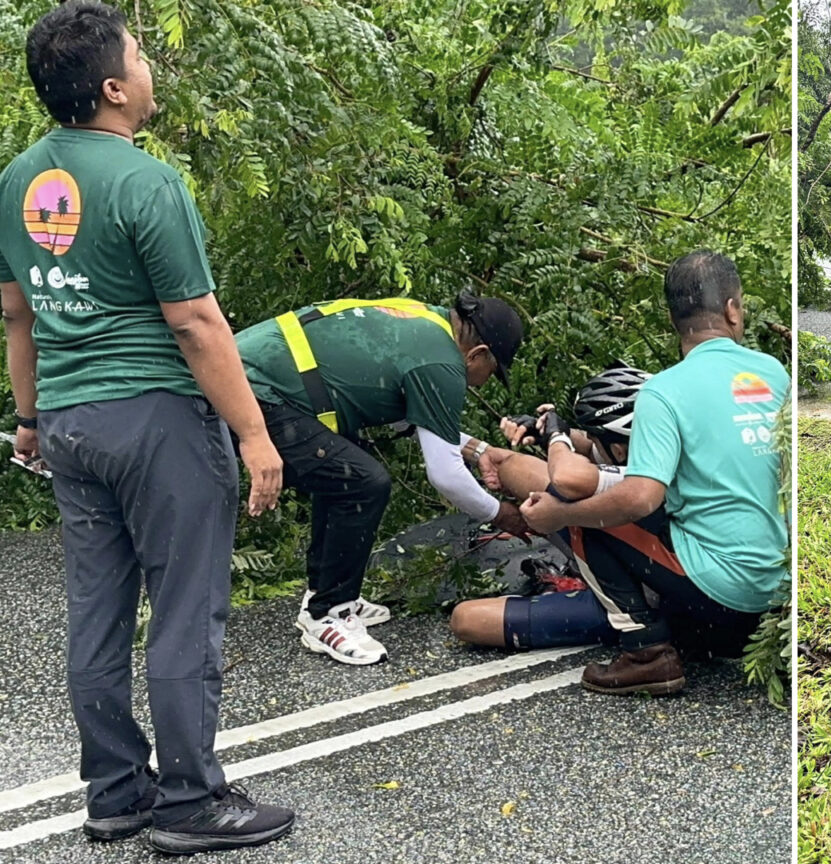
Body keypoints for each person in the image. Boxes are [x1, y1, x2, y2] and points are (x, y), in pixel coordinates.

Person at [0, 2, 294, 852]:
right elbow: (197, 324)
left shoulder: (17, 181)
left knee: (96, 613)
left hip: (68, 421)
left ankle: (116, 794)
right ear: (113, 87)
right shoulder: (147, 182)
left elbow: (17, 316)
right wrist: (254, 434)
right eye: (139, 52)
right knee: (182, 611)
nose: (150, 63)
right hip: (156, 422)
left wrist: (28, 419)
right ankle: (193, 802)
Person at [519, 251, 789, 697]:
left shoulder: (662, 391)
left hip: (726, 590)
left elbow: (640, 496)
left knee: (579, 510)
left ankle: (646, 653)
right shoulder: (774, 373)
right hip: (781, 585)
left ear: (672, 319)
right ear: (733, 309)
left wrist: (556, 518)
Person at [234, 293, 527, 665]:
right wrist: (500, 513)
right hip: (250, 390)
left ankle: (326, 593)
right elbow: (446, 476)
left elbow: (415, 417)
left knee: (344, 468)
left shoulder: (425, 322)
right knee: (361, 481)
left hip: (250, 376)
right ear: (478, 353)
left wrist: (479, 451)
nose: (484, 383)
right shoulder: (442, 363)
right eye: (493, 371)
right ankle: (328, 614)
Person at [448, 366, 656, 651]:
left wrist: (557, 436)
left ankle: (642, 635)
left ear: (618, 450)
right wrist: (549, 430)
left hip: (638, 601)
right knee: (512, 465)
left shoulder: (632, 484)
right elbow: (592, 451)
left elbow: (568, 478)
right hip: (664, 580)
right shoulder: (660, 461)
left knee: (466, 619)